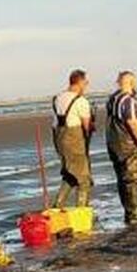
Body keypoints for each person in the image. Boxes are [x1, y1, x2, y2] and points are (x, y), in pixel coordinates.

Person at [105, 71, 137, 225]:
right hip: (128, 145)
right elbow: (133, 123)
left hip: (114, 145)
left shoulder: (112, 98)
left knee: (123, 179)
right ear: (133, 83)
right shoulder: (127, 101)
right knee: (132, 179)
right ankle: (135, 214)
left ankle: (129, 213)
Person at [51, 69, 94, 208]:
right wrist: (91, 127)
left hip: (59, 140)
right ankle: (82, 211)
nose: (86, 86)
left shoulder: (57, 98)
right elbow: (86, 126)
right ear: (79, 82)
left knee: (70, 174)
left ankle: (57, 206)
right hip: (74, 140)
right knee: (84, 179)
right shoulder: (81, 101)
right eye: (85, 83)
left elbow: (54, 123)